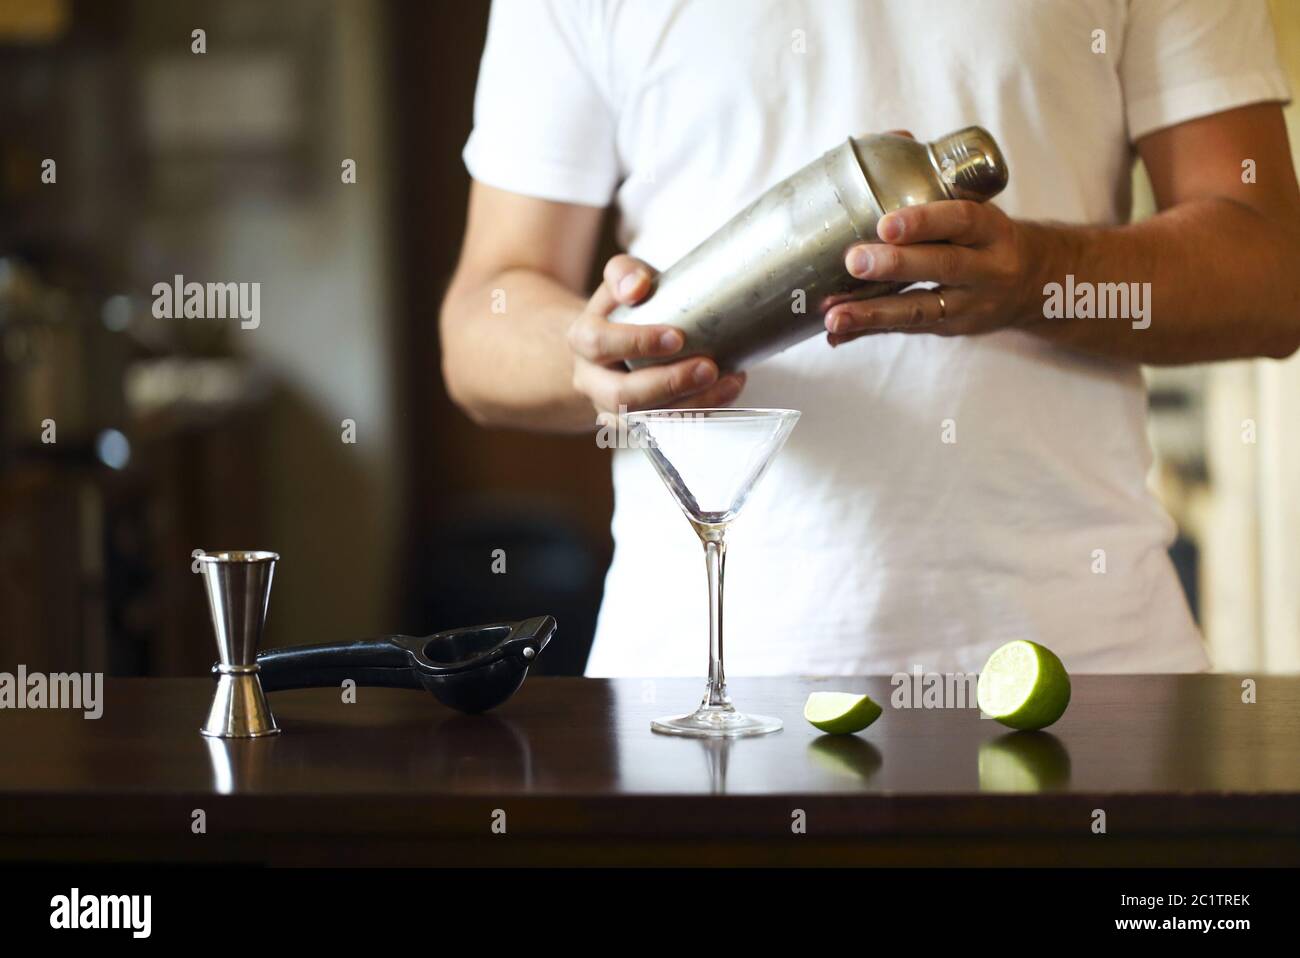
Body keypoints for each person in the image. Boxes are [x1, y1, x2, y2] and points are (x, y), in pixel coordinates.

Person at [441, 0, 1299, 676]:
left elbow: (1271, 279)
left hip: (1079, 669)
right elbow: (481, 326)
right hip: (703, 679)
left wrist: (1037, 275)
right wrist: (587, 357)